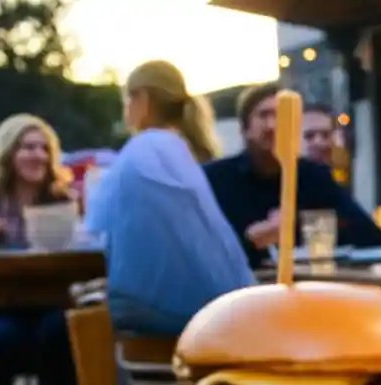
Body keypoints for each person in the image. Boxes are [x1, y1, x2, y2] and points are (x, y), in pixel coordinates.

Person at [85, 60, 255, 338]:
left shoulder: (144, 150)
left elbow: (94, 230)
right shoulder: (178, 150)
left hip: (170, 312)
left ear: (142, 99)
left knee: (70, 320)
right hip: (219, 307)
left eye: (127, 99)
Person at [0, 114, 80, 385]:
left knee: (59, 331)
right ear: (8, 153)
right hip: (5, 305)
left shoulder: (64, 200)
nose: (38, 155)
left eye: (45, 148)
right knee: (3, 339)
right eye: (28, 147)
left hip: (53, 302)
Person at [204, 83, 381, 269]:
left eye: (280, 116)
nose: (272, 125)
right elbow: (199, 248)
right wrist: (248, 239)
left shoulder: (314, 177)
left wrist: (303, 224)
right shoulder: (216, 178)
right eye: (263, 115)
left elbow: (370, 236)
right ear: (245, 128)